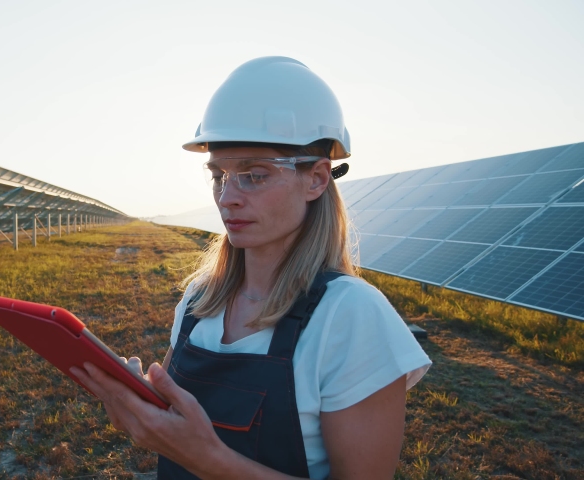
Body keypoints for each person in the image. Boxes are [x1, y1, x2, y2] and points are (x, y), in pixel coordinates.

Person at [71, 56, 431, 480]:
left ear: (316, 179)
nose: (227, 198)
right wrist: (140, 409)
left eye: (254, 175)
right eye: (219, 175)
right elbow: (174, 423)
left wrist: (208, 461)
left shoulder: (350, 316)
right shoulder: (199, 299)